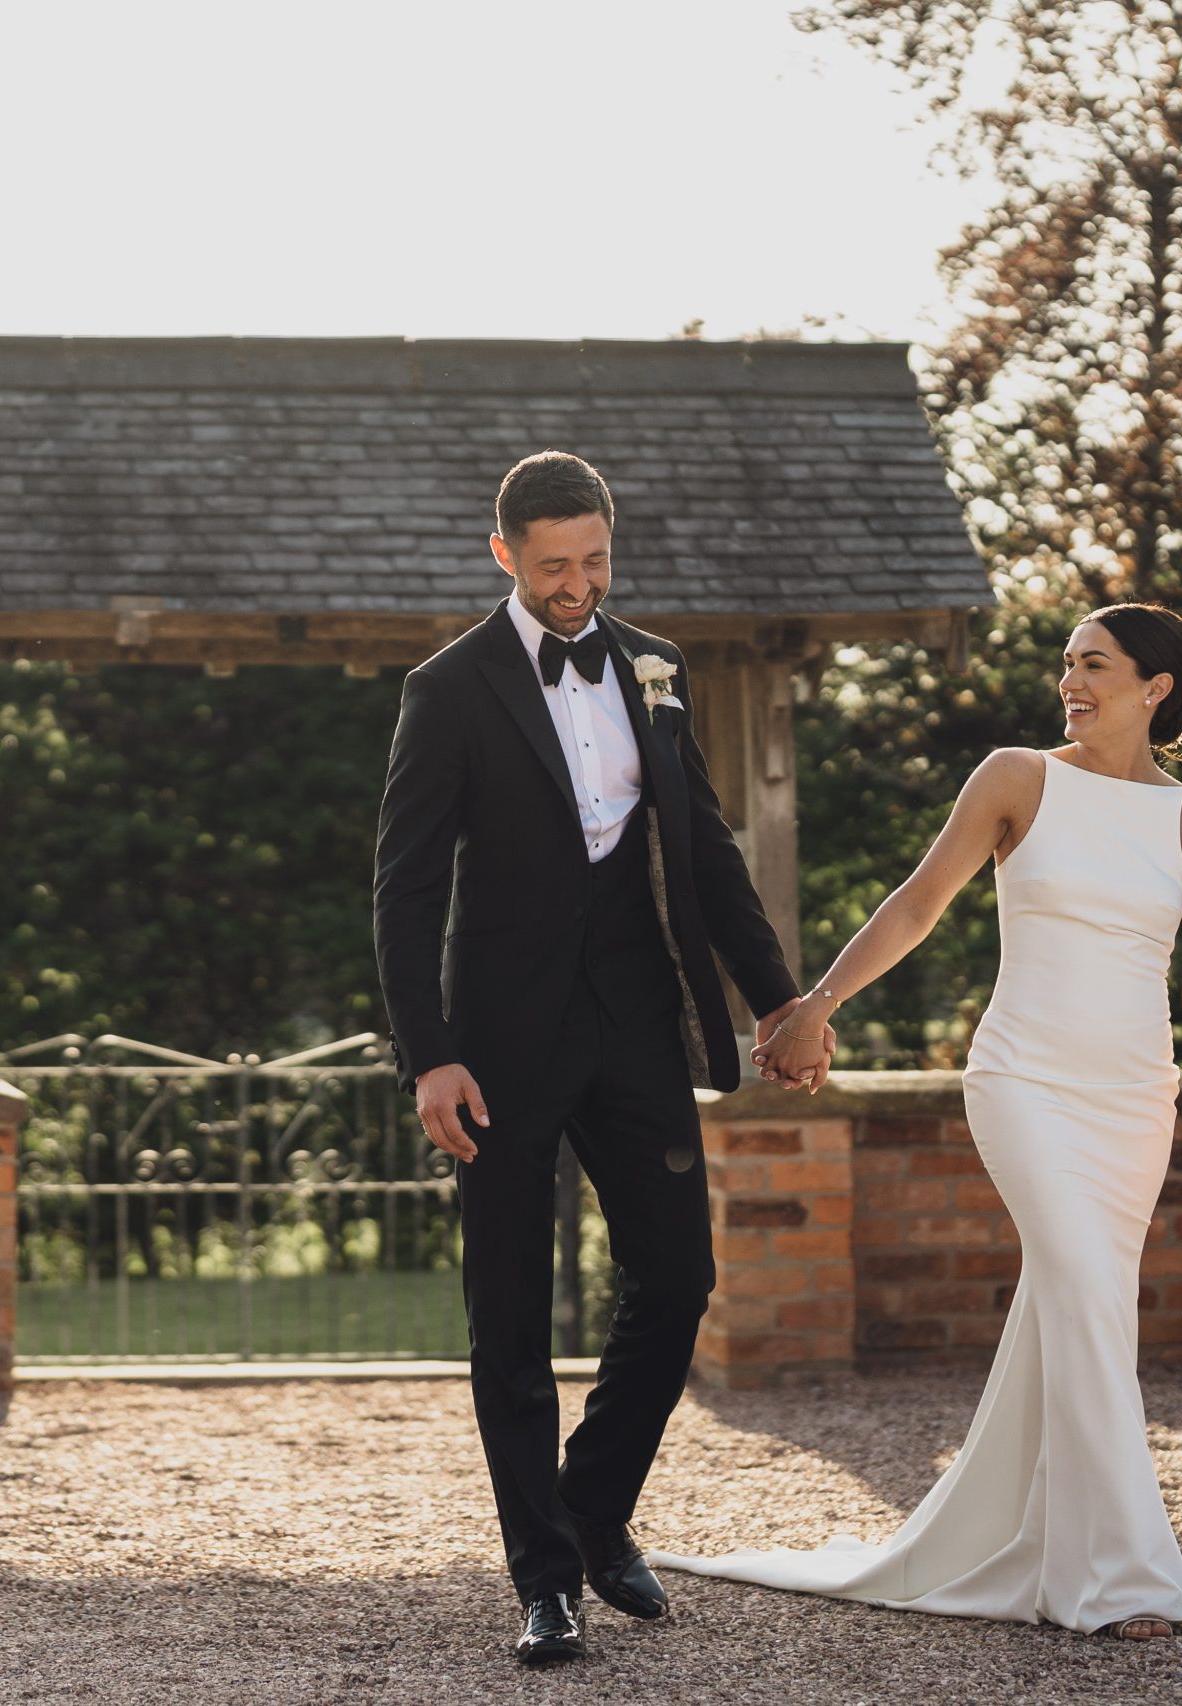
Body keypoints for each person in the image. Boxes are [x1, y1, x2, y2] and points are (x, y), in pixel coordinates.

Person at [649, 602, 1182, 1641]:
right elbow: (919, 901)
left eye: (1094, 665)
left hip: (1132, 1096)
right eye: (1066, 662)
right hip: (1023, 1080)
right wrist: (814, 1003)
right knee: (1083, 1293)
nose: (1071, 679)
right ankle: (1128, 1577)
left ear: (1154, 688)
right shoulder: (1017, 776)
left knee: (1083, 1302)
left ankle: (1028, 1546)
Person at [373, 450, 828, 1666]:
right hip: (501, 1045)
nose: (578, 584)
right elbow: (405, 893)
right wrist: (431, 1058)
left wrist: (783, 1001)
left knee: (677, 1278)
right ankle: (544, 1578)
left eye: (595, 561)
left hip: (638, 1024)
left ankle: (593, 1506)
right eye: (554, 564)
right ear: (505, 554)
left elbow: (709, 849)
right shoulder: (448, 687)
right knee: (510, 1313)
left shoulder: (656, 667)